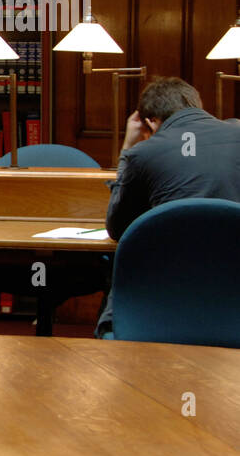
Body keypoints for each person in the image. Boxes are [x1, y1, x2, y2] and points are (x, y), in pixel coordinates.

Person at [96, 76, 240, 335]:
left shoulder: (143, 153)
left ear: (151, 122)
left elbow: (117, 228)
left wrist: (128, 147)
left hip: (165, 287)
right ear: (198, 104)